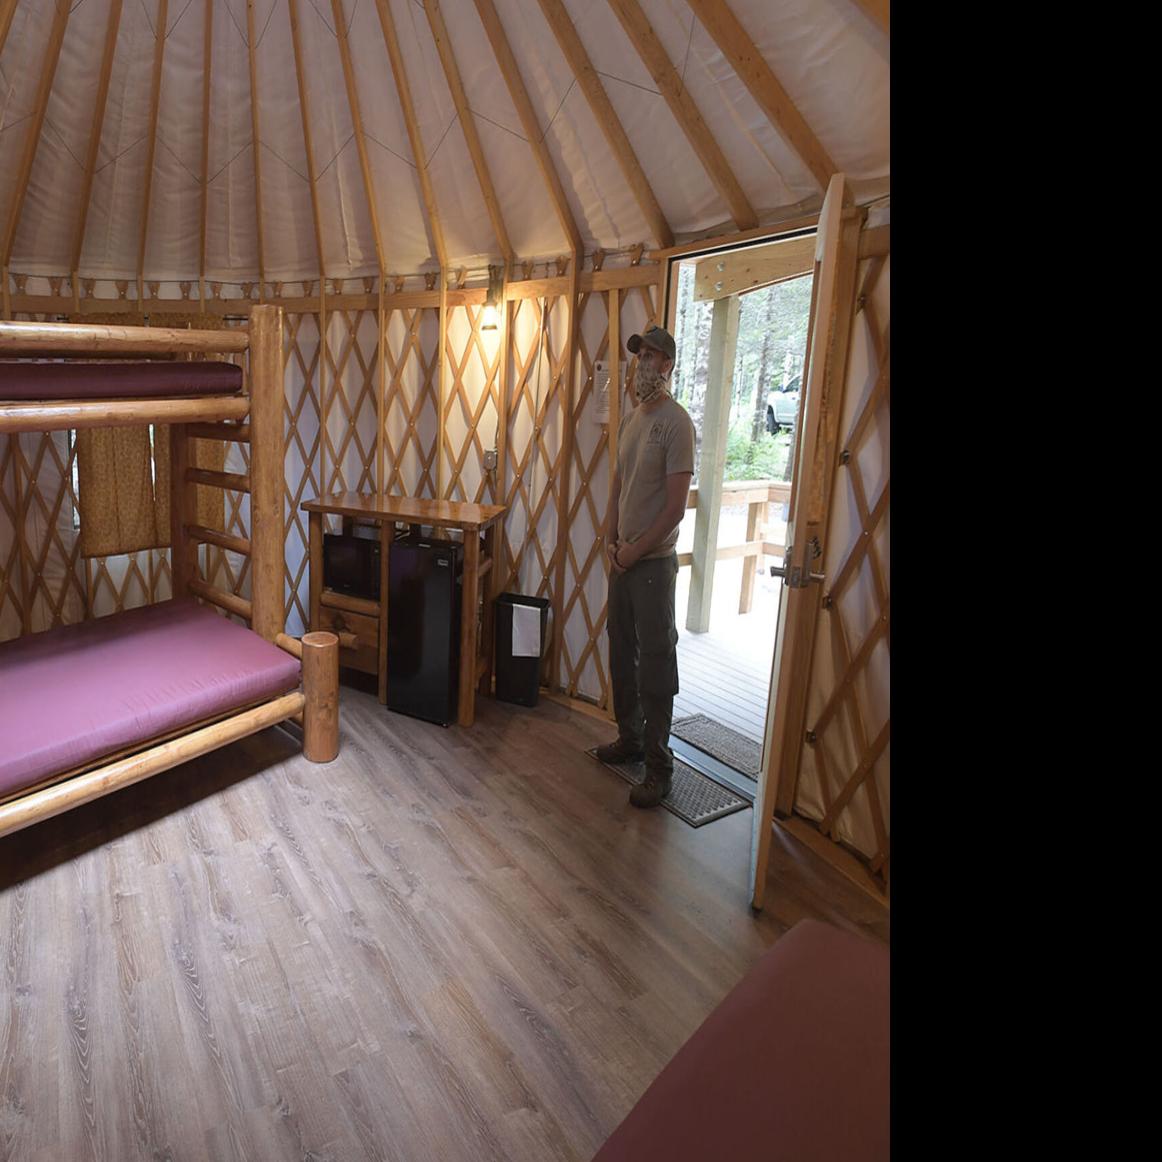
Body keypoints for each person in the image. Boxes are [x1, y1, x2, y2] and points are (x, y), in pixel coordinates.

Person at [596, 324, 695, 808]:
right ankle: (629, 738)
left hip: (653, 564)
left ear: (668, 365)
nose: (643, 363)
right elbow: (617, 486)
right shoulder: (633, 420)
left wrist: (635, 550)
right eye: (640, 355)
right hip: (623, 560)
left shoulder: (677, 424)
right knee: (620, 651)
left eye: (653, 356)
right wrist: (608, 538)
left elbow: (675, 507)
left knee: (657, 660)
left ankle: (659, 765)